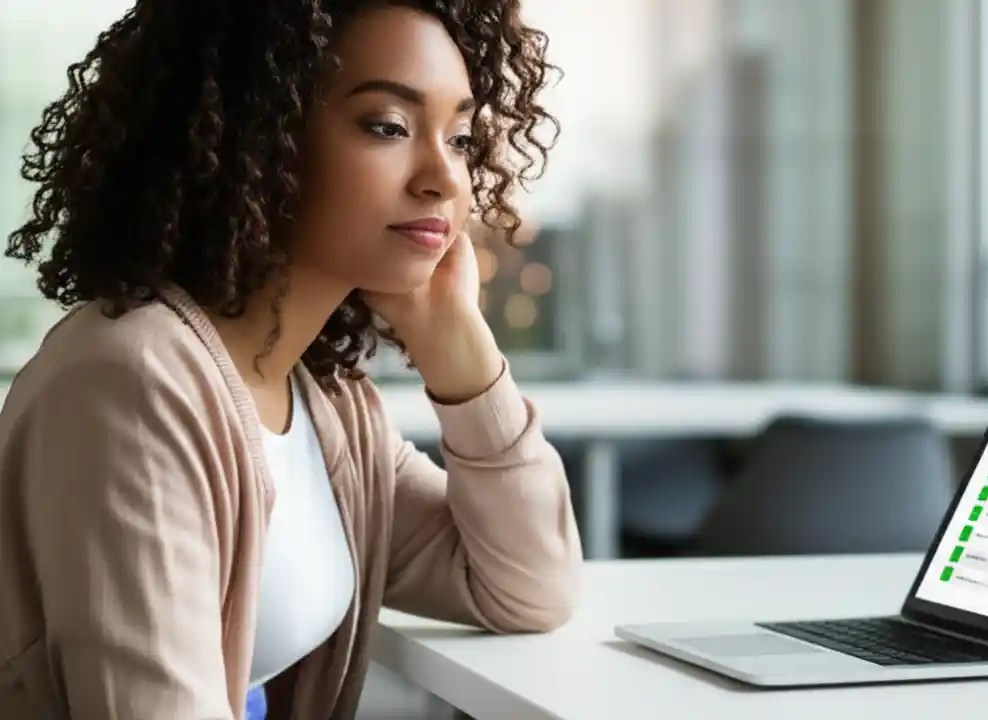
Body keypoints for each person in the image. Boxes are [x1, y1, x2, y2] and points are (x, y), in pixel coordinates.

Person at [0, 1, 582, 717]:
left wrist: (459, 350)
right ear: (262, 134)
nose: (446, 179)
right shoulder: (135, 383)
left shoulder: (324, 402)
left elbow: (528, 589)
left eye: (460, 138)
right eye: (388, 127)